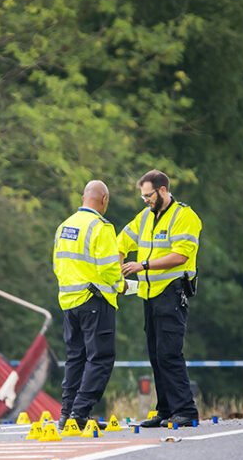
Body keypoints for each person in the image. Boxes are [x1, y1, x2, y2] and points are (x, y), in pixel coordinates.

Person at [118, 170, 202, 427]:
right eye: (142, 196)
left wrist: (142, 265)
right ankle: (165, 410)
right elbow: (120, 242)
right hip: (149, 295)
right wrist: (119, 271)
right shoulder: (145, 217)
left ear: (163, 190)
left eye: (148, 195)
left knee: (169, 353)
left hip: (171, 293)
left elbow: (180, 256)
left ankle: (185, 411)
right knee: (156, 354)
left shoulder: (184, 217)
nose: (144, 200)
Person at [53, 180, 123, 430]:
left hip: (69, 303)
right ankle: (80, 414)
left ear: (83, 198)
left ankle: (66, 414)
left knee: (75, 358)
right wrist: (122, 285)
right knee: (101, 358)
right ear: (104, 200)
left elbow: (57, 265)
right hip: (95, 301)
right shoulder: (101, 227)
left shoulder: (64, 226)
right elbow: (109, 268)